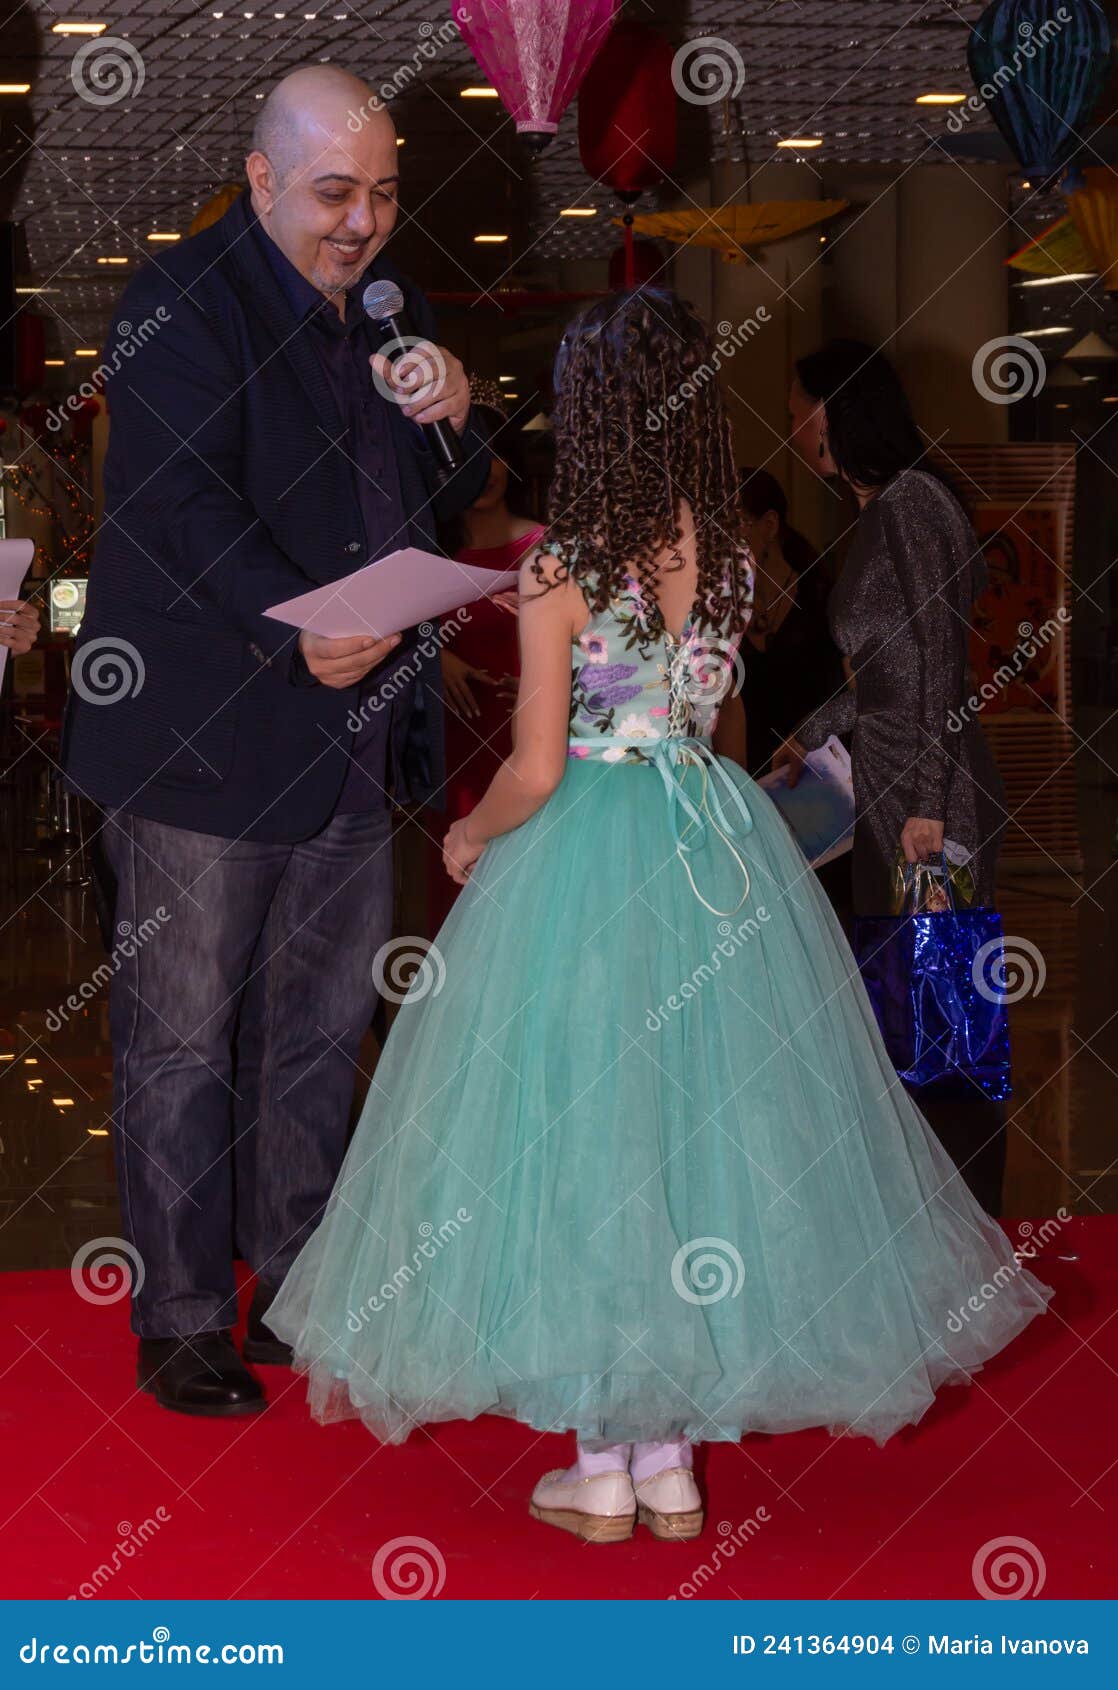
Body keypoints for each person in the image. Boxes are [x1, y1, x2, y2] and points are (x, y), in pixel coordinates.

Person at [268, 290, 1049, 1544]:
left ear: (588, 420)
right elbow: (721, 731)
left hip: (589, 845)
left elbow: (533, 766)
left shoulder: (562, 569)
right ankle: (670, 1461)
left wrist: (469, 835)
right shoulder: (730, 559)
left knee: (587, 1141)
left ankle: (604, 1462)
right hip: (715, 845)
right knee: (701, 1134)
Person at [60, 66, 489, 1417]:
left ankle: (297, 1286)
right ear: (258, 181)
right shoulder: (179, 300)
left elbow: (443, 503)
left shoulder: (389, 314)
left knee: (317, 1035)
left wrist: (457, 419)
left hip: (354, 738)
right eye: (332, 194)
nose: (364, 224)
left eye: (382, 193)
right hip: (202, 737)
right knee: (183, 1041)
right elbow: (171, 503)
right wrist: (286, 625)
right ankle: (182, 1316)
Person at [775, 340, 1005, 916]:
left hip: (926, 791)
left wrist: (930, 802)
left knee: (934, 990)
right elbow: (892, 679)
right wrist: (814, 730)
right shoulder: (888, 507)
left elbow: (940, 656)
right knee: (899, 989)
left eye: (794, 414)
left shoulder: (909, 502)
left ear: (827, 414)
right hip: (891, 778)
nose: (791, 431)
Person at [430, 406, 546, 926]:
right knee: (456, 903)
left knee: (530, 901)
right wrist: (433, 654)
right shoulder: (426, 557)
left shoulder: (549, 547)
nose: (484, 468)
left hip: (529, 741)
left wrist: (544, 690)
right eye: (467, 456)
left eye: (493, 453)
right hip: (452, 746)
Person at [736, 466, 844, 779]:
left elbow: (852, 697)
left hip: (815, 781)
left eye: (731, 523)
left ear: (769, 524)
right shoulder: (717, 607)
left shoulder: (823, 600)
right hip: (743, 786)